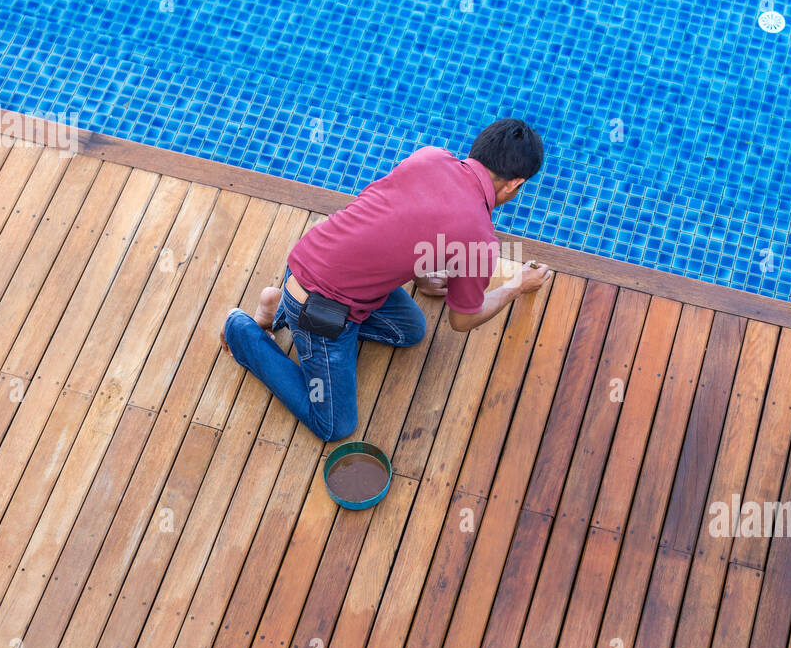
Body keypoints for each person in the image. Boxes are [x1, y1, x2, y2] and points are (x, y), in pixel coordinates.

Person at [222, 119, 552, 441]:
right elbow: (462, 320)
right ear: (514, 183)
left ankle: (281, 305)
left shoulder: (430, 157)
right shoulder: (479, 238)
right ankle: (242, 331)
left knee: (410, 330)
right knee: (334, 425)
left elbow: (398, 219)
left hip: (311, 256)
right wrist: (516, 286)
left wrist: (422, 275)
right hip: (322, 311)